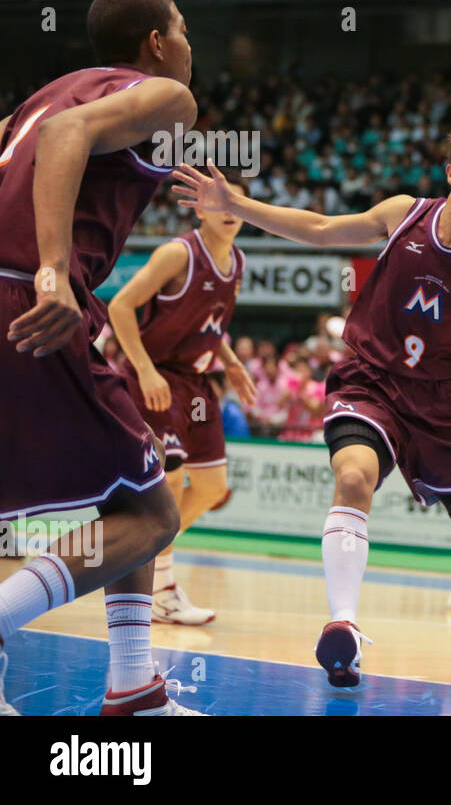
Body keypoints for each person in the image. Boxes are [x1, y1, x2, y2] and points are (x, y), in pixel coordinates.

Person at [172, 114, 451, 688]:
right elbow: (317, 228)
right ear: (449, 169)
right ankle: (343, 623)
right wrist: (237, 205)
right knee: (354, 478)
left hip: (445, 405)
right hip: (371, 382)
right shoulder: (404, 212)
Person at [0, 0, 202, 715]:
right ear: (157, 43)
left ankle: (135, 685)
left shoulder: (46, 93)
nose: (189, 45)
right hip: (33, 296)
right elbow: (67, 138)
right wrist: (51, 267)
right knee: (152, 518)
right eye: (183, 30)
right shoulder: (169, 98)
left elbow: (35, 140)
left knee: (128, 490)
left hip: (18, 288)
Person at [107, 176, 257, 624]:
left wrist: (229, 360)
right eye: (220, 201)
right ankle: (163, 588)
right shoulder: (178, 253)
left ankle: (144, 555)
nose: (230, 209)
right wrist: (145, 369)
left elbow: (209, 326)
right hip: (155, 375)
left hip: (197, 383)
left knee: (212, 487)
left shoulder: (237, 261)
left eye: (238, 201)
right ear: (200, 210)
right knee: (170, 484)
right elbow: (120, 307)